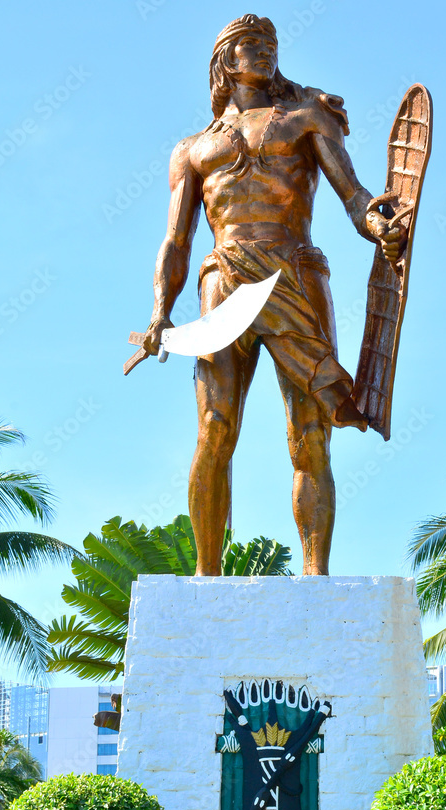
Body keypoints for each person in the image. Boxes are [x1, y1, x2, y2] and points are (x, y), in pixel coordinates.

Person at [135, 14, 406, 576]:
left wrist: (377, 226)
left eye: (269, 44)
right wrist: (161, 312)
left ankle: (316, 577)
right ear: (225, 61)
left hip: (296, 273)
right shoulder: (192, 149)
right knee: (215, 427)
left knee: (309, 433)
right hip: (223, 280)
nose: (263, 52)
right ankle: (206, 578)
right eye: (249, 44)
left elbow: (353, 197)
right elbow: (175, 241)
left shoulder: (306, 117)